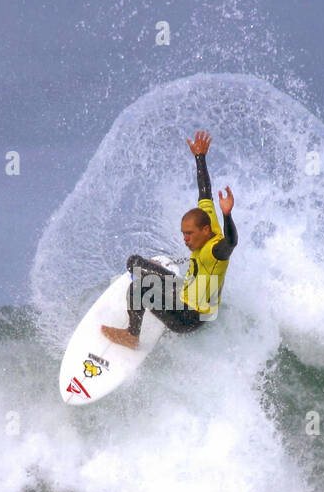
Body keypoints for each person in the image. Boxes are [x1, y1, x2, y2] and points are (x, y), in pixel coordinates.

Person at [101, 130, 237, 349]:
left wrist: (228, 215)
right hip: (185, 290)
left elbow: (231, 243)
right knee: (134, 262)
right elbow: (205, 191)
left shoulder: (216, 250)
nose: (185, 239)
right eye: (184, 233)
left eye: (190, 234)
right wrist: (200, 157)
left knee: (140, 289)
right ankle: (163, 289)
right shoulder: (208, 219)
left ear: (205, 231)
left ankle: (131, 336)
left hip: (191, 317)